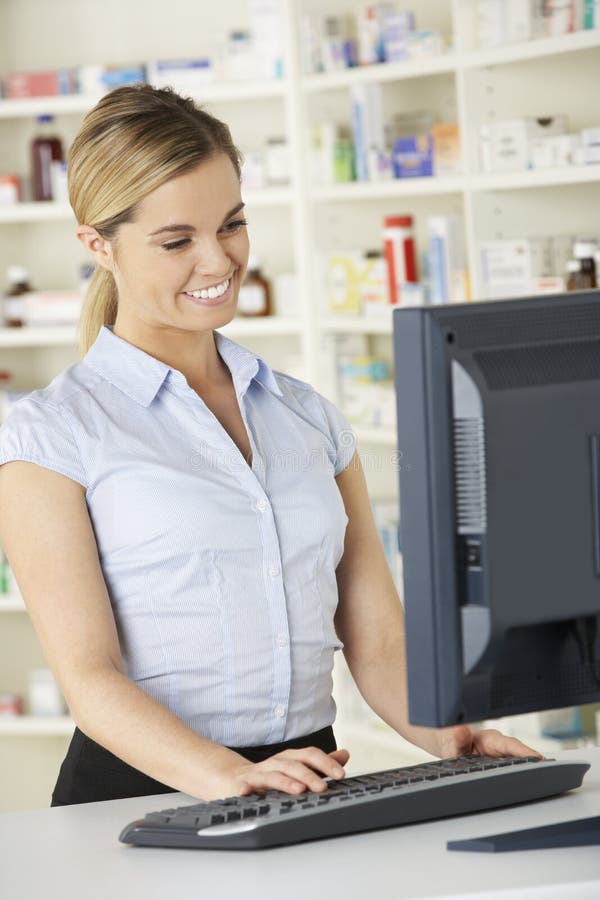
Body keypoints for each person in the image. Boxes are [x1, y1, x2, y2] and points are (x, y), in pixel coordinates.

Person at [0, 85, 541, 807]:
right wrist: (228, 777)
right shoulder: (51, 434)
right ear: (98, 244)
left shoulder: (305, 415)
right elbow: (91, 679)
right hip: (136, 798)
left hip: (304, 783)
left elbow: (377, 642)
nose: (218, 260)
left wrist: (451, 737)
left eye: (232, 224)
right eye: (176, 241)